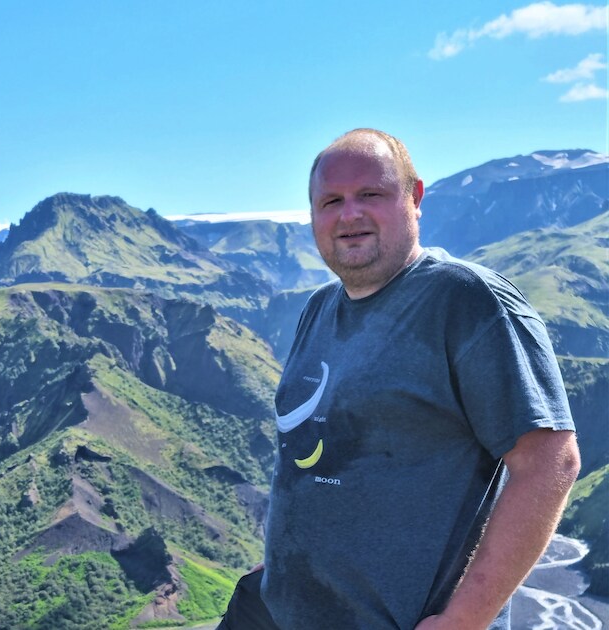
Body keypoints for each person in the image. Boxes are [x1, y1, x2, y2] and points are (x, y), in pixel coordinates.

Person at [219, 128, 580, 629]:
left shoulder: (468, 300)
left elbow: (550, 463)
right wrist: (283, 564)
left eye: (370, 194)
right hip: (272, 608)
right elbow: (315, 446)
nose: (349, 214)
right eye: (330, 201)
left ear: (414, 198)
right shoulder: (319, 308)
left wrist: (465, 619)